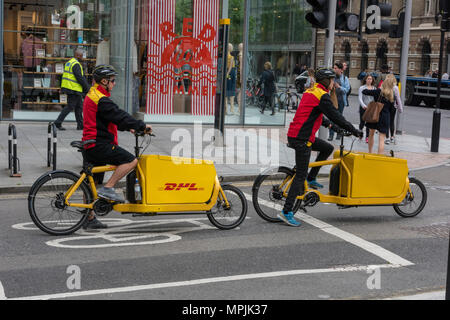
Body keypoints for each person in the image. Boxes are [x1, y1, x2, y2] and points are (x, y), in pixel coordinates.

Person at [279, 68, 362, 227]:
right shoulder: (322, 96)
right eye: (332, 80)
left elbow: (317, 114)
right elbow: (336, 115)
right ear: (326, 81)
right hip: (302, 138)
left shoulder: (312, 91)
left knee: (327, 149)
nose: (334, 83)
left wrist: (333, 127)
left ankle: (311, 178)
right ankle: (287, 211)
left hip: (299, 134)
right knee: (300, 175)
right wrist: (354, 130)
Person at [81, 65, 152, 229]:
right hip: (99, 144)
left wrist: (129, 127)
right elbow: (119, 115)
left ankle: (89, 219)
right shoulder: (101, 99)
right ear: (104, 81)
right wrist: (141, 126)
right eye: (113, 81)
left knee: (90, 182)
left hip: (90, 142)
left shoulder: (92, 94)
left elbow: (107, 119)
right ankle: (109, 187)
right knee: (131, 160)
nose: (114, 83)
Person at [55, 48, 91, 130]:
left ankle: (80, 125)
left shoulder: (69, 63)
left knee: (79, 107)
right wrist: (87, 88)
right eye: (82, 56)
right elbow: (80, 78)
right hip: (73, 89)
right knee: (70, 106)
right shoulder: (76, 64)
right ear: (78, 55)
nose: (82, 58)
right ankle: (58, 122)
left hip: (71, 88)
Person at [362, 74, 397, 155]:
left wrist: (369, 86)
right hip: (385, 117)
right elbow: (392, 110)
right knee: (381, 139)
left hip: (375, 114)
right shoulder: (392, 95)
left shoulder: (378, 91)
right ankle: (379, 156)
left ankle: (370, 153)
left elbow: (364, 91)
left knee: (371, 134)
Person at [328, 62, 350, 141]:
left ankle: (339, 133)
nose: (334, 69)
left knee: (339, 117)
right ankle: (331, 134)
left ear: (340, 70)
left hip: (341, 101)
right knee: (332, 118)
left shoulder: (345, 78)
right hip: (332, 100)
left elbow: (347, 90)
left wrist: (339, 87)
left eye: (335, 68)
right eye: (334, 68)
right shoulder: (332, 78)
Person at [385, 74, 403, 145]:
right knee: (391, 121)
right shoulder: (395, 87)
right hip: (393, 106)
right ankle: (392, 137)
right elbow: (398, 98)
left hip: (386, 106)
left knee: (386, 122)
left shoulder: (384, 87)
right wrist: (400, 108)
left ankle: (387, 138)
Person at [358, 74, 375, 143]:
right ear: (365, 79)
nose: (369, 80)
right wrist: (363, 105)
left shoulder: (374, 88)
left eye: (370, 79)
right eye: (368, 79)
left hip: (370, 108)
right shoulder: (362, 88)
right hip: (363, 107)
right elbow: (360, 98)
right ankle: (360, 133)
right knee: (362, 122)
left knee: (369, 123)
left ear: (372, 80)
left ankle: (367, 137)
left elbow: (374, 99)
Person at [226, 43, 237, 115]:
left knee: (226, 90)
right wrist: (228, 74)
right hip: (231, 73)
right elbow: (230, 67)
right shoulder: (231, 57)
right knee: (232, 90)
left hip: (227, 73)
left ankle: (226, 109)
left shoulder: (225, 56)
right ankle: (232, 108)